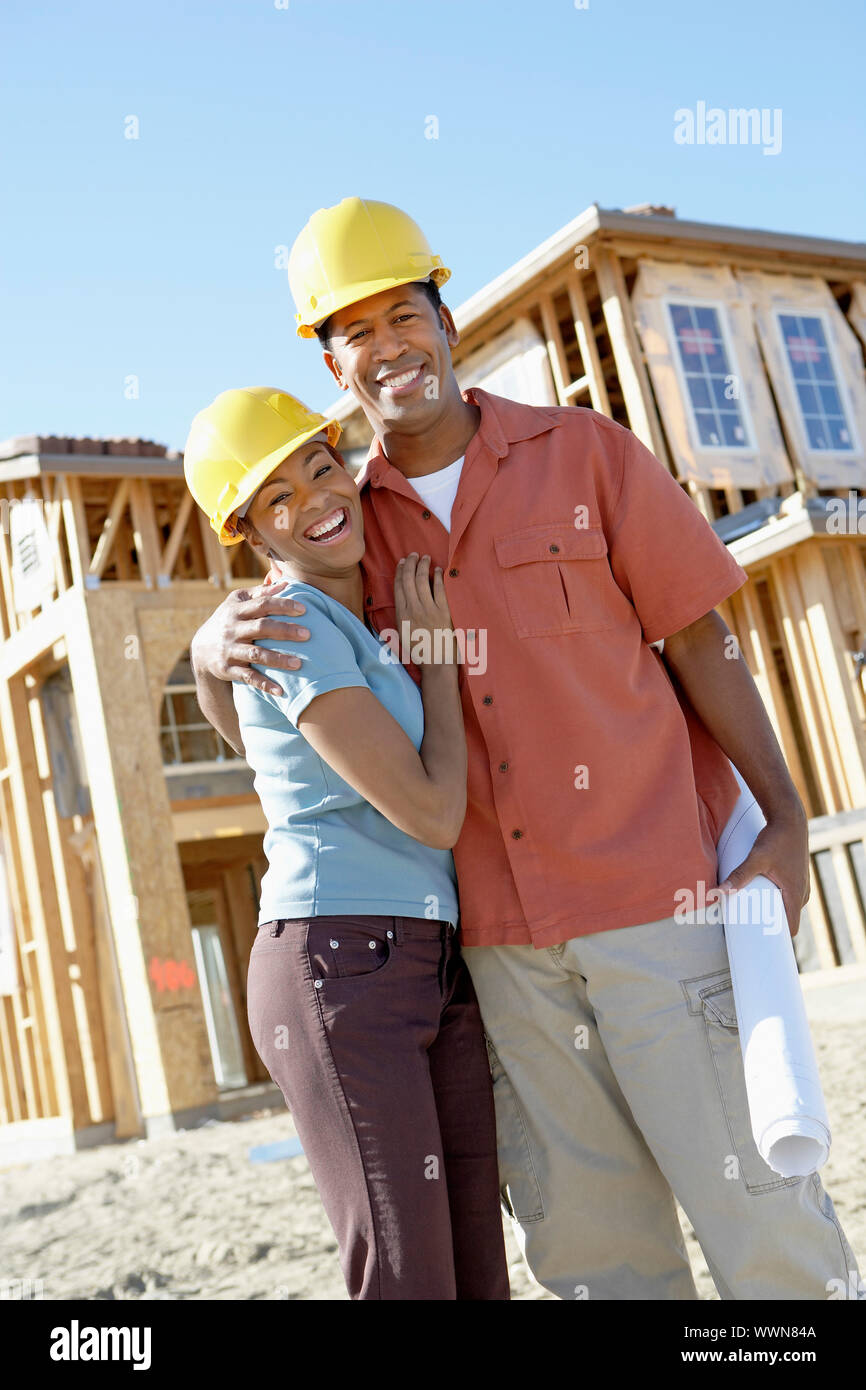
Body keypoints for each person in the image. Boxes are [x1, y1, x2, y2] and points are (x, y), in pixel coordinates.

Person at [190, 200, 863, 1300]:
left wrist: (782, 817)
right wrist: (210, 653)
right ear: (330, 361)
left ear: (444, 319)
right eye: (353, 332)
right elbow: (293, 721)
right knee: (597, 1263)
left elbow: (699, 636)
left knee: (764, 1232)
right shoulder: (347, 528)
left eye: (401, 314)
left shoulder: (583, 454)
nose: (386, 347)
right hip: (500, 957)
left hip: (659, 910)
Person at [183, 385, 510, 1301]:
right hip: (339, 965)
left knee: (476, 1272)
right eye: (276, 497)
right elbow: (433, 816)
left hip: (424, 959)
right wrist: (438, 659)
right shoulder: (287, 624)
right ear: (247, 530)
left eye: (321, 468)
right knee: (407, 1278)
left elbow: (261, 744)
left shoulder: (346, 622)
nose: (315, 499)